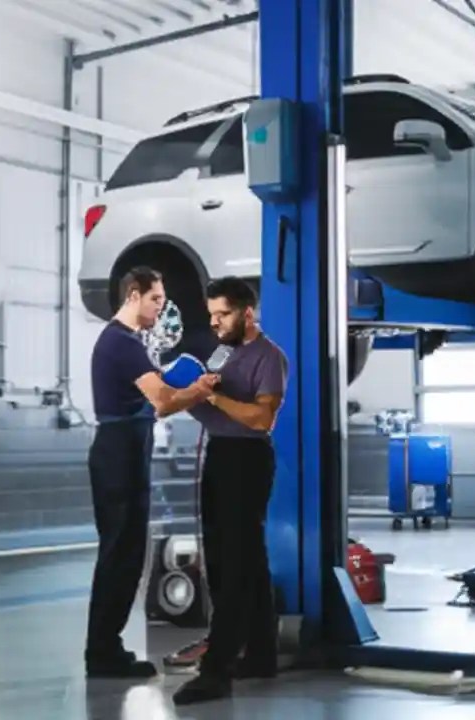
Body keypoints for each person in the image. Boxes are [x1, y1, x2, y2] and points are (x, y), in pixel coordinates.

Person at [84, 266, 219, 678]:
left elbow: (156, 384)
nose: (161, 308)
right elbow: (161, 401)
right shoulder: (122, 343)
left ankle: (107, 646)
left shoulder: (129, 344)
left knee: (127, 554)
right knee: (119, 555)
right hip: (118, 454)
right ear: (133, 296)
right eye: (156, 299)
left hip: (126, 450)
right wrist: (199, 390)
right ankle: (102, 651)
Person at [173, 276, 288, 706]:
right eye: (211, 316)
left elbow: (261, 419)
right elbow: (209, 393)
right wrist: (189, 391)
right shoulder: (222, 351)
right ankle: (261, 654)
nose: (216, 323)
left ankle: (216, 670)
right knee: (245, 558)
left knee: (232, 564)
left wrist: (217, 399)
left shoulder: (269, 358)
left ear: (247, 313)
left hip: (248, 459)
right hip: (219, 454)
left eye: (222, 315)